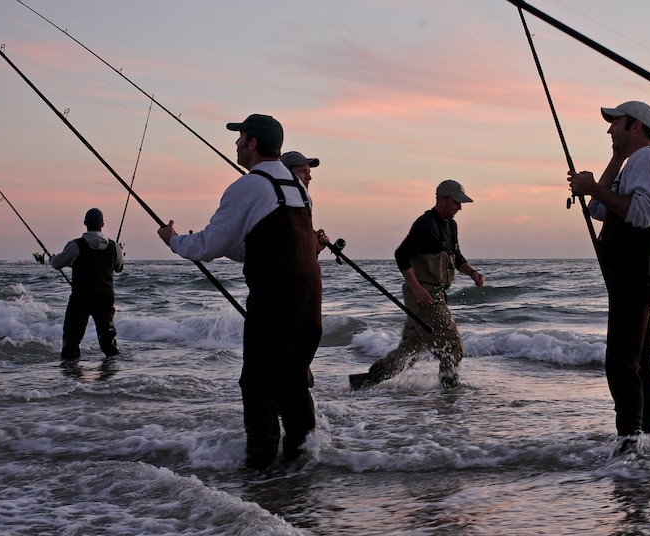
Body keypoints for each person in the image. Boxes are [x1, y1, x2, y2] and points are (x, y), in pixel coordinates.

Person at [157, 113, 322, 471]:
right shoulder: (298, 189)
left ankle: (261, 473)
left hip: (275, 304)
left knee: (258, 384)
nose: (235, 143)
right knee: (293, 383)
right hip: (310, 305)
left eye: (240, 137)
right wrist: (224, 244)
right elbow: (266, 245)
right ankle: (304, 467)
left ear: (251, 143)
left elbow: (206, 246)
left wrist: (173, 239)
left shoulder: (249, 186)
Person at [568, 101, 650, 453]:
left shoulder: (647, 160)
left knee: (621, 362)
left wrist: (594, 188)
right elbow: (600, 209)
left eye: (616, 123)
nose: (610, 129)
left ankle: (629, 443)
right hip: (631, 277)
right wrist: (604, 174)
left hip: (635, 275)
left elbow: (643, 213)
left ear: (636, 125)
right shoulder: (631, 164)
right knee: (639, 361)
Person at [349, 179, 485, 391]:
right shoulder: (425, 224)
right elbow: (401, 254)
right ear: (442, 199)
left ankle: (363, 383)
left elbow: (456, 257)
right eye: (456, 203)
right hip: (425, 297)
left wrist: (472, 273)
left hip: (433, 295)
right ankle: (450, 396)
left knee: (410, 349)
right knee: (452, 347)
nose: (459, 207)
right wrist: (416, 287)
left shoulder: (451, 225)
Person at [50, 207, 124, 360]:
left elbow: (57, 264)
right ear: (102, 224)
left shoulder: (75, 245)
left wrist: (52, 259)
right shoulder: (114, 246)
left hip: (81, 298)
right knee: (108, 340)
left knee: (72, 339)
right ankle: (113, 375)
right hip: (105, 298)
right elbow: (119, 267)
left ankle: (71, 374)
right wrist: (118, 252)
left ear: (85, 223)